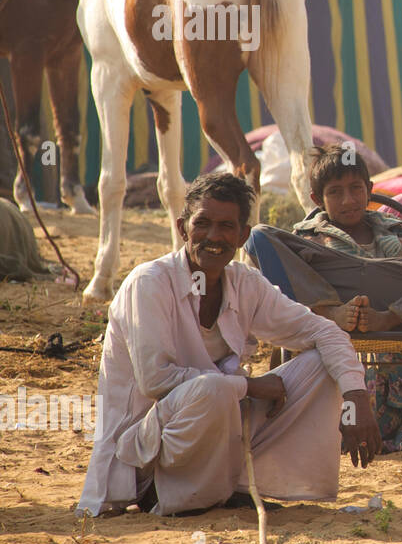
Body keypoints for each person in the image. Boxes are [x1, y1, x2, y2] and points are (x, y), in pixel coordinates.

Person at [77, 172, 381, 517]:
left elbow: (324, 332)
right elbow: (155, 380)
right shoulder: (149, 283)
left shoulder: (244, 283)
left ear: (242, 235)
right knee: (215, 391)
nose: (213, 237)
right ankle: (177, 496)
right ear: (182, 228)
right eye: (202, 224)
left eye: (226, 227)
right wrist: (249, 386)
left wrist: (356, 396)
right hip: (140, 457)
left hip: (218, 433)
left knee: (318, 365)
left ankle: (232, 487)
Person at [291, 143, 402, 454]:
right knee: (264, 242)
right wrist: (332, 313)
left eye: (356, 188)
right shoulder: (307, 239)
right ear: (317, 199)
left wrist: (390, 316)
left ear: (369, 190)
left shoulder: (400, 232)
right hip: (338, 345)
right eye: (335, 192)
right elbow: (288, 299)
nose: (348, 200)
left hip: (401, 334)